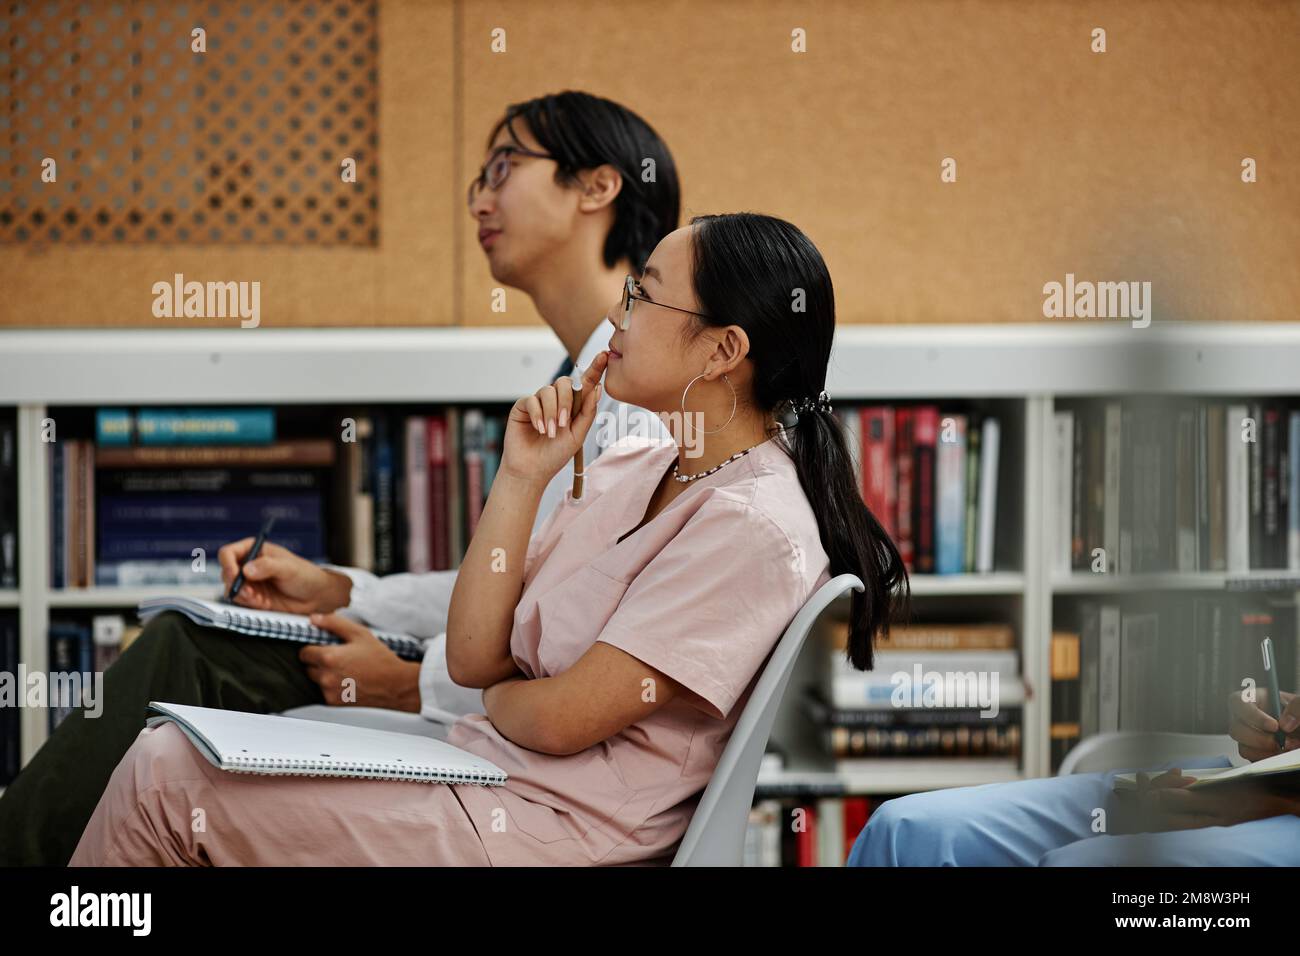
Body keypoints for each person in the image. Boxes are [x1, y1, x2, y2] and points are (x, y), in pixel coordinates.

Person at [68, 212, 909, 865]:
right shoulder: (637, 464)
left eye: (645, 296)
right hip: (492, 769)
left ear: (724, 350)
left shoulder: (754, 526)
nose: (621, 315)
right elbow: (473, 656)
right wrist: (523, 475)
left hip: (559, 827)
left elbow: (562, 721)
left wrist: (504, 700)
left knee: (166, 779)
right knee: (175, 754)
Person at [0, 90, 680, 866]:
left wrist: (408, 683)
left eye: (504, 166)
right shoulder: (582, 378)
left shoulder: (638, 402)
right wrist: (344, 591)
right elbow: (516, 584)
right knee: (191, 653)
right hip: (483, 701)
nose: (481, 200)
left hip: (524, 761)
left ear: (597, 187)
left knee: (190, 647)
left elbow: (571, 641)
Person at [847, 688, 1300, 866]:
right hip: (1263, 778)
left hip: (1282, 808)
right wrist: (1270, 716)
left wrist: (1275, 801)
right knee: (906, 833)